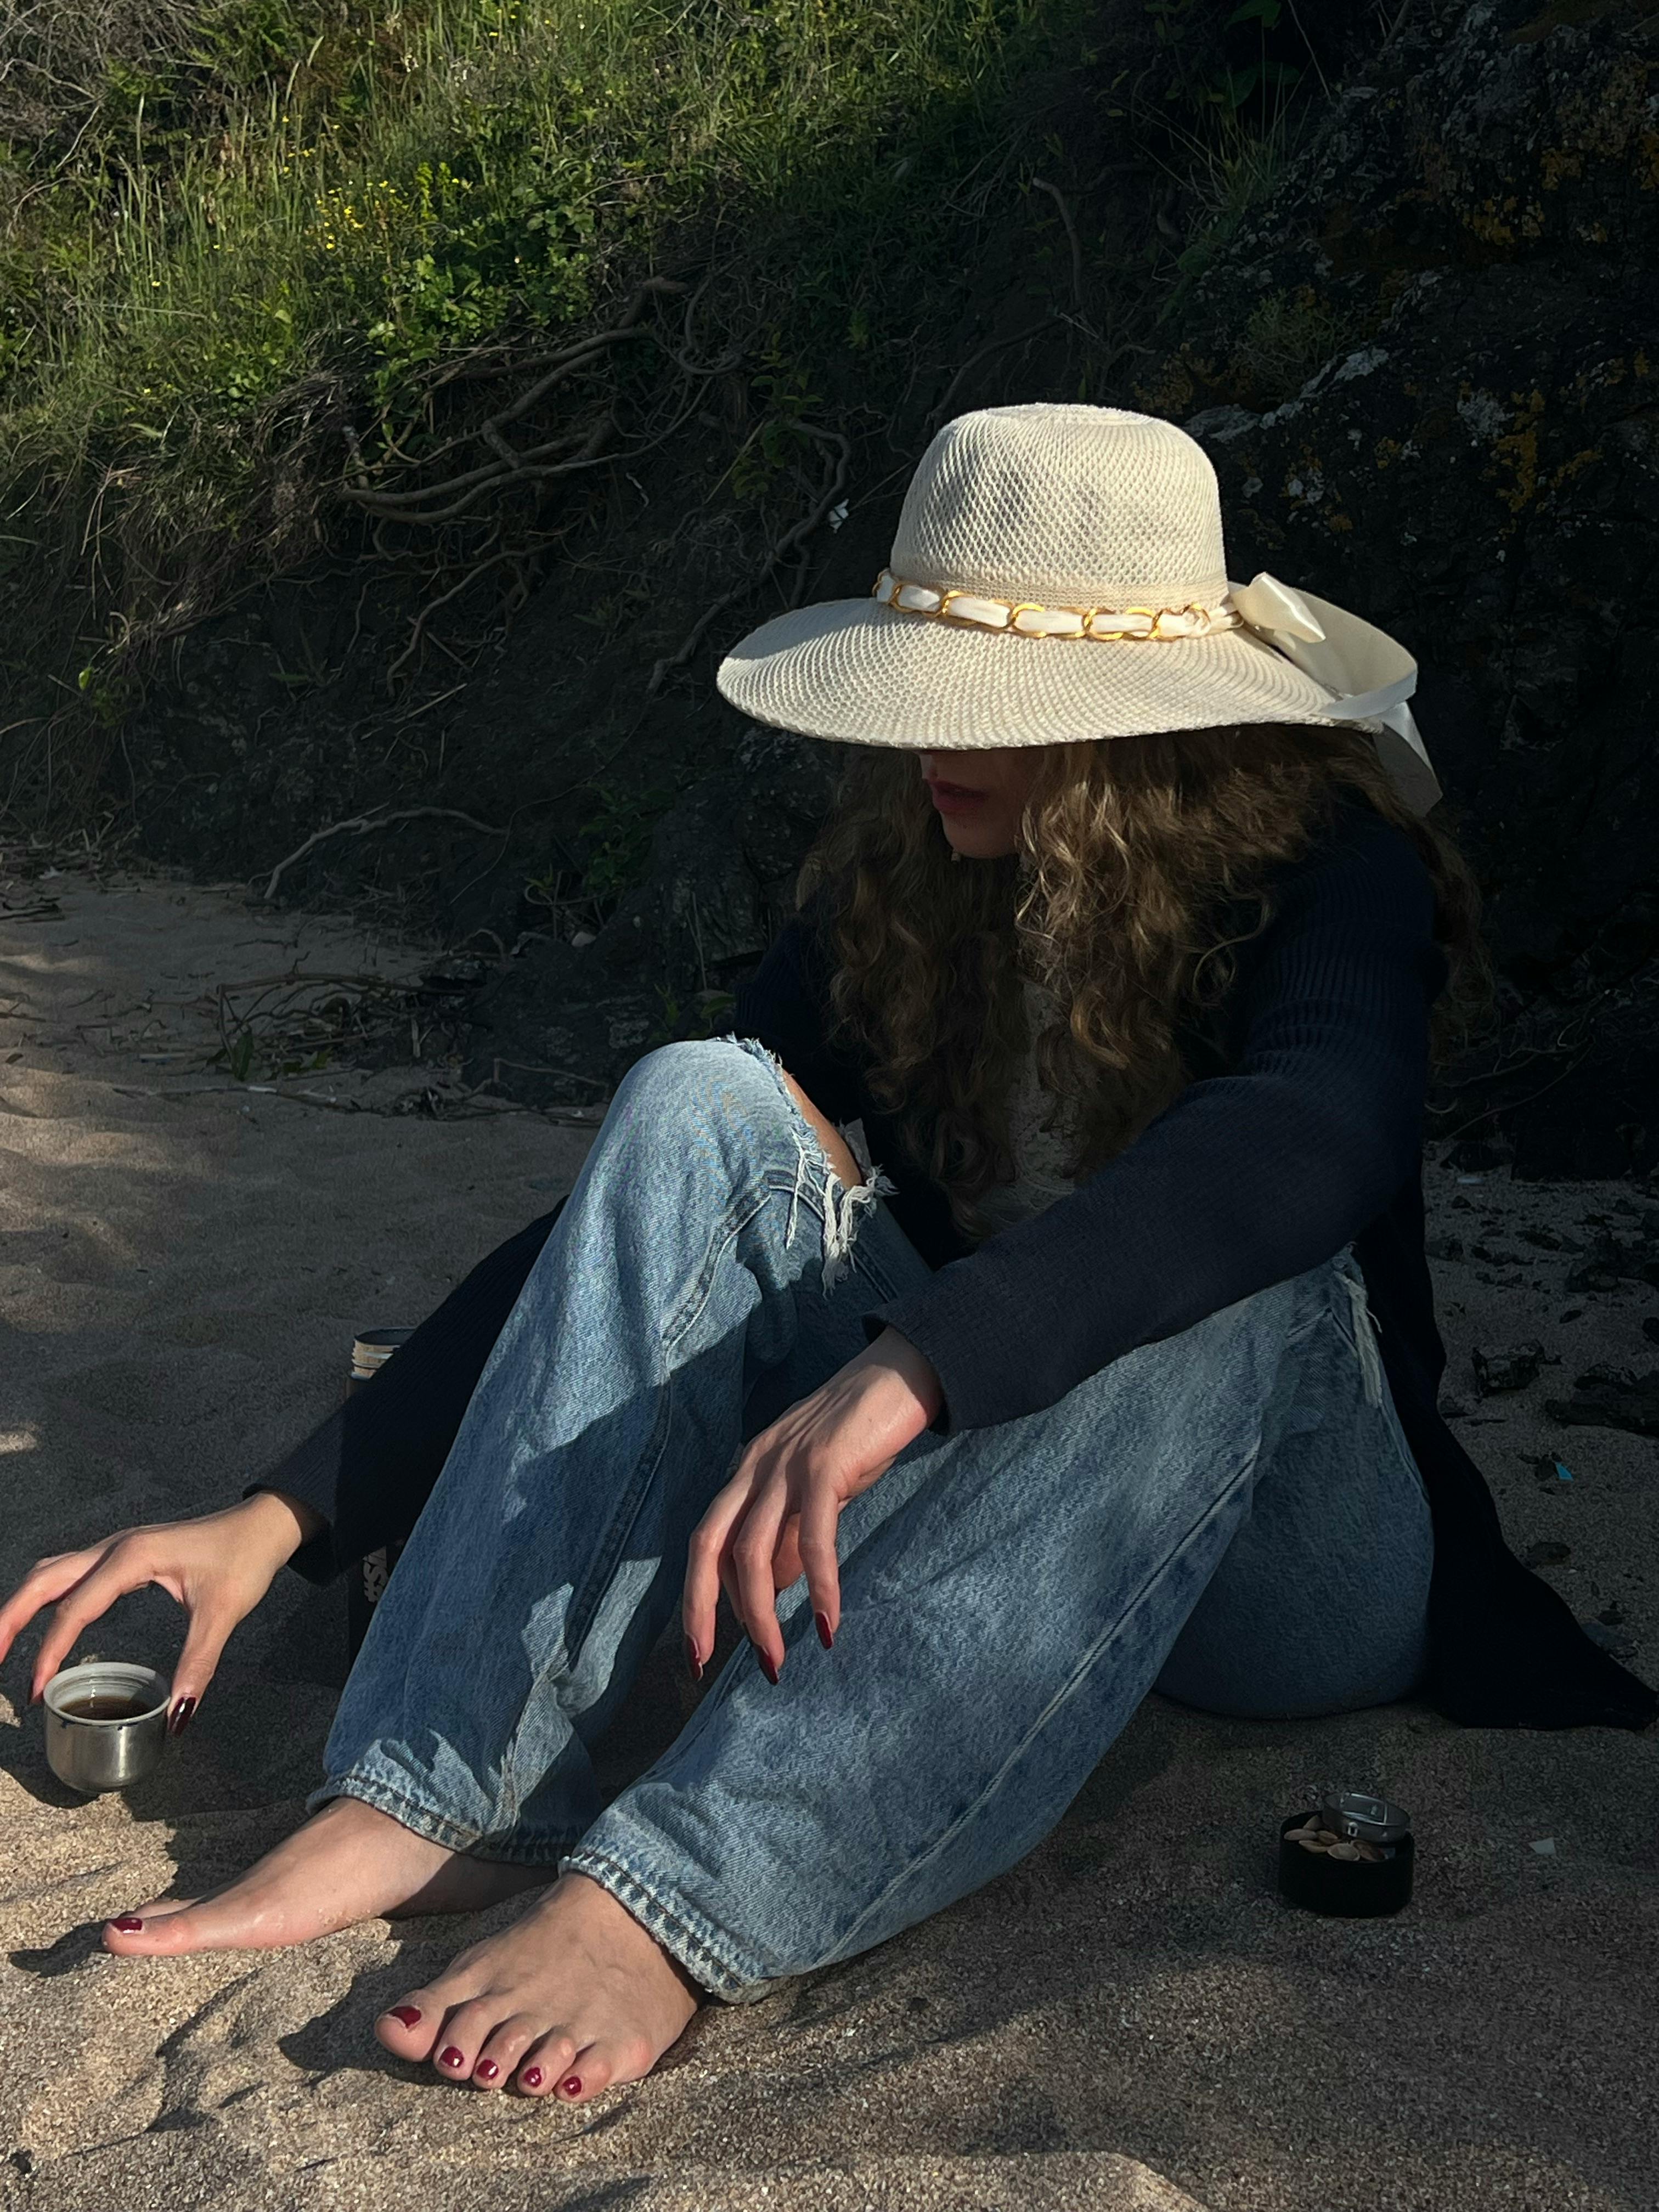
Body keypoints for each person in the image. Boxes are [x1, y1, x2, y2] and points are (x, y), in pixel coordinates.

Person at [3, 404, 1651, 2108]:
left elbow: (1317, 1135)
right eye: (925, 691)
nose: (935, 740)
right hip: (985, 1513)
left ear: (1147, 725)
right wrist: (281, 1516)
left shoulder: (1330, 875)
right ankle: (447, 1794)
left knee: (1243, 1286)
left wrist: (922, 1364)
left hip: (1286, 1574)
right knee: (700, 1097)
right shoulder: (916, 879)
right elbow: (647, 1234)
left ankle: (671, 1900)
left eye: (990, 705)